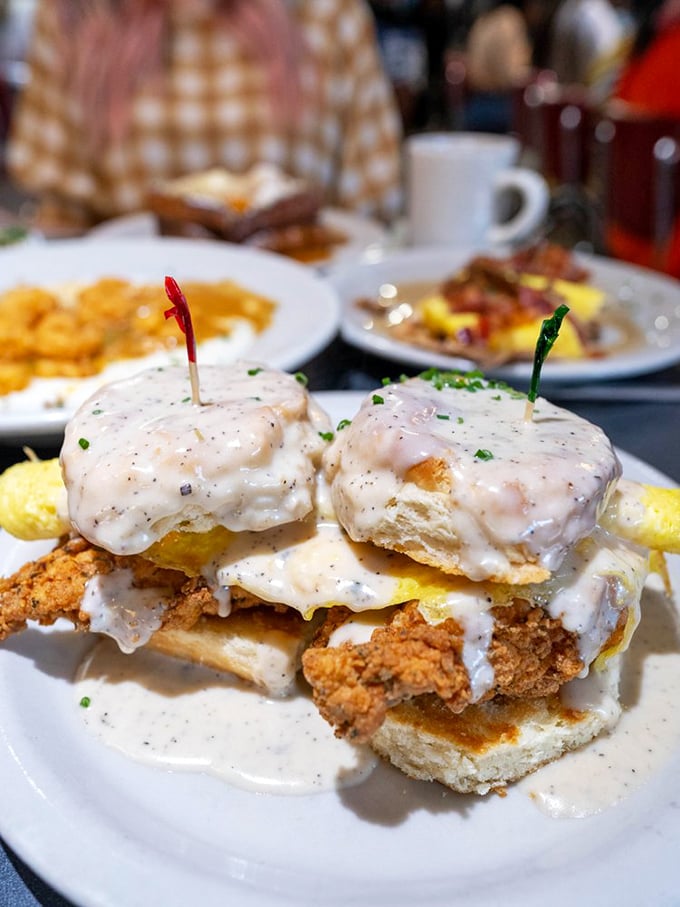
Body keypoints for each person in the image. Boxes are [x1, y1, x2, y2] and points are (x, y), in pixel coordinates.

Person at [6, 0, 403, 235]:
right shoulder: (76, 15)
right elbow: (62, 218)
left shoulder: (328, 13)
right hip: (133, 310)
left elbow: (372, 210)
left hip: (313, 302)